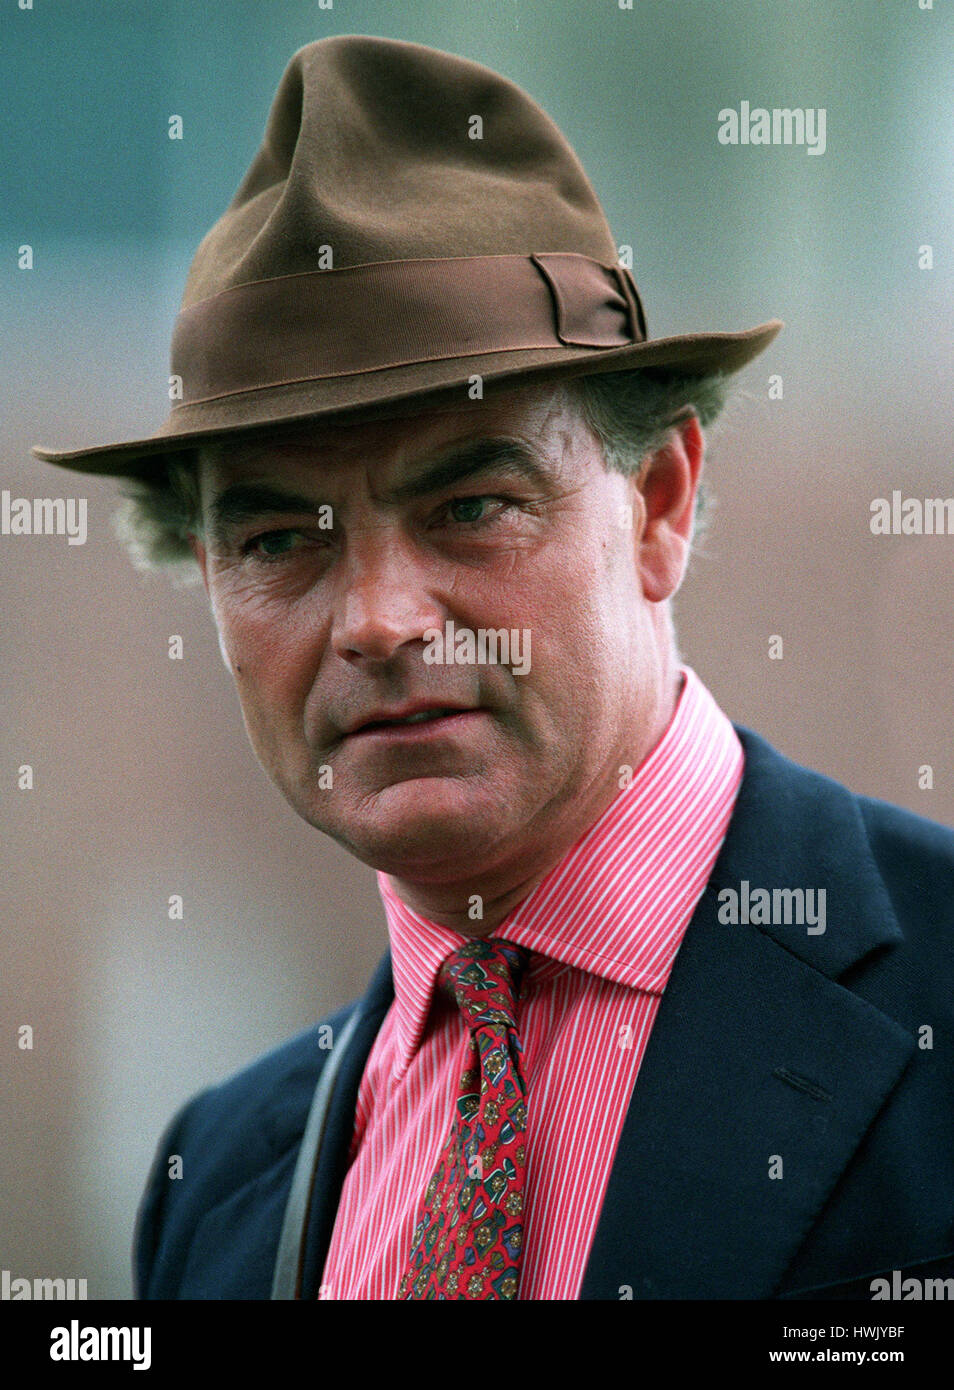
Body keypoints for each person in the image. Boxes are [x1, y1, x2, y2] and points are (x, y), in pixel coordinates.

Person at [33, 35, 954, 1301]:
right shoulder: (223, 1184)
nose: (376, 618)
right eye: (276, 539)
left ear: (660, 500)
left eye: (471, 503)